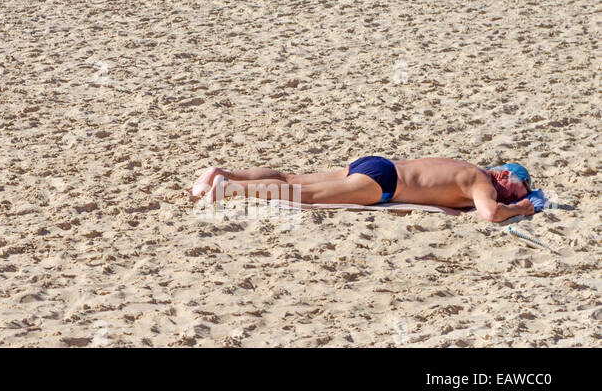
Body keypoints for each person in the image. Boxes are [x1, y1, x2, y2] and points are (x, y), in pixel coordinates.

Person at [190, 158, 537, 222]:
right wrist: (521, 210)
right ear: (504, 174)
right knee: (304, 196)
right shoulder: (483, 182)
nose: (511, 196)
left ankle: (221, 173)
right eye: (515, 190)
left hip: (378, 164)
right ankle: (229, 188)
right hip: (383, 184)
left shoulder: (466, 167)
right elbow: (490, 215)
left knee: (293, 178)